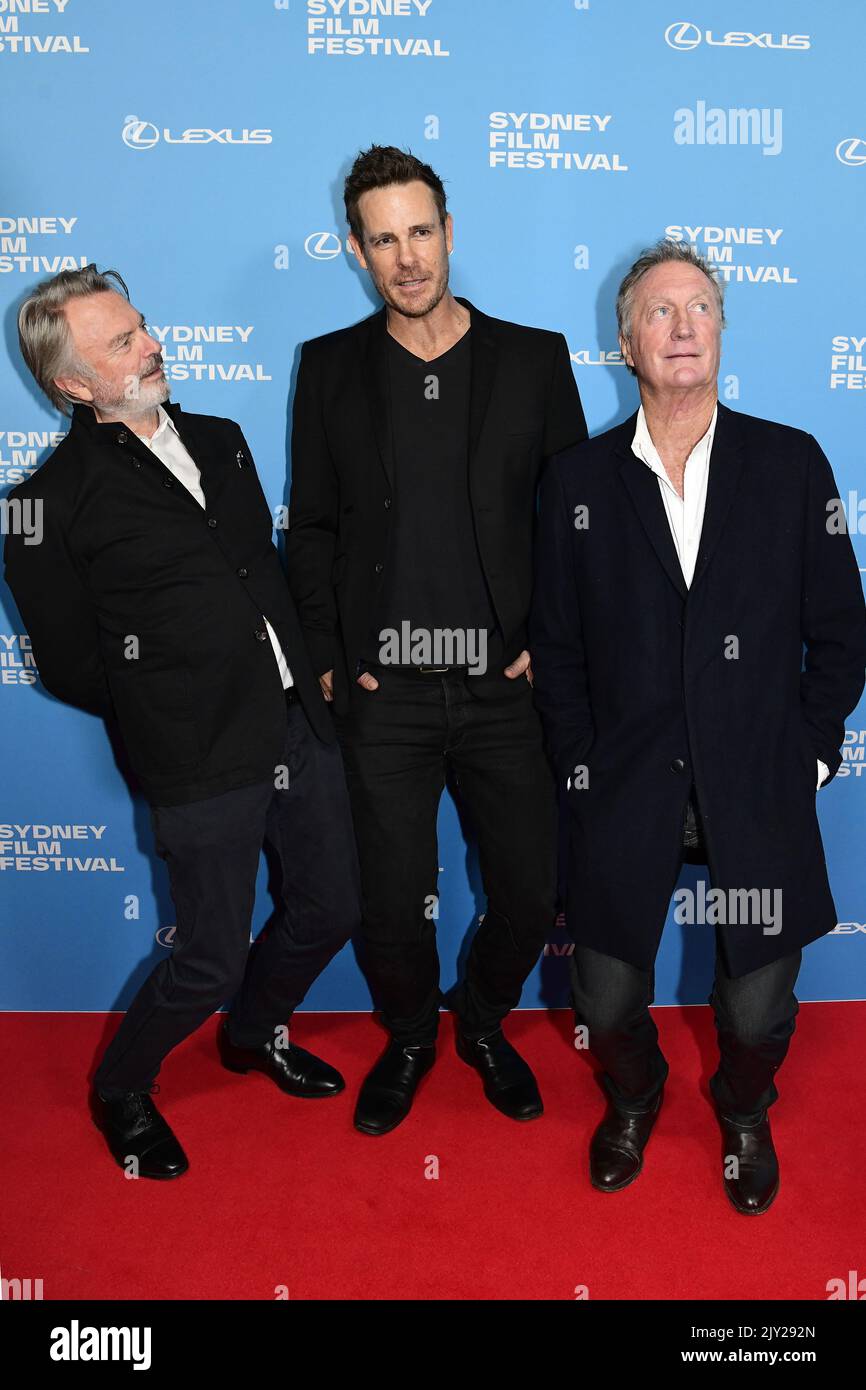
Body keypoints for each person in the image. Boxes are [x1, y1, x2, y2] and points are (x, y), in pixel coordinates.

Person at [530, 239, 866, 1212]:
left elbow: (840, 629)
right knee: (601, 998)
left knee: (758, 1009)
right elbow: (552, 647)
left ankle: (740, 1105)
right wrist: (578, 762)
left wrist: (807, 747)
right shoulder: (577, 481)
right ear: (623, 341)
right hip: (624, 778)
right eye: (657, 312)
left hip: (755, 776)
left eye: (699, 308)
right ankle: (632, 1097)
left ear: (719, 330)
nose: (681, 326)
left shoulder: (790, 463)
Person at [4, 266, 361, 1179]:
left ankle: (251, 1036)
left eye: (143, 326)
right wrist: (172, 706)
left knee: (330, 908)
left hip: (297, 727)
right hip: (197, 760)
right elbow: (73, 663)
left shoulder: (223, 439)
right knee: (206, 958)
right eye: (121, 342)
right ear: (73, 385)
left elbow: (262, 574)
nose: (152, 344)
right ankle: (122, 1086)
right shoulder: (40, 507)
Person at [287, 145, 587, 1135]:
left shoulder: (533, 358)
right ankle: (412, 1032)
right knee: (391, 901)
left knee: (529, 888)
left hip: (506, 687)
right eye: (383, 239)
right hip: (389, 694)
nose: (406, 256)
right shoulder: (328, 368)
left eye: (421, 231)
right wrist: (334, 658)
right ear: (356, 251)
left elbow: (569, 516)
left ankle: (485, 1022)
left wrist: (551, 637)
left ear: (449, 233)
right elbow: (316, 528)